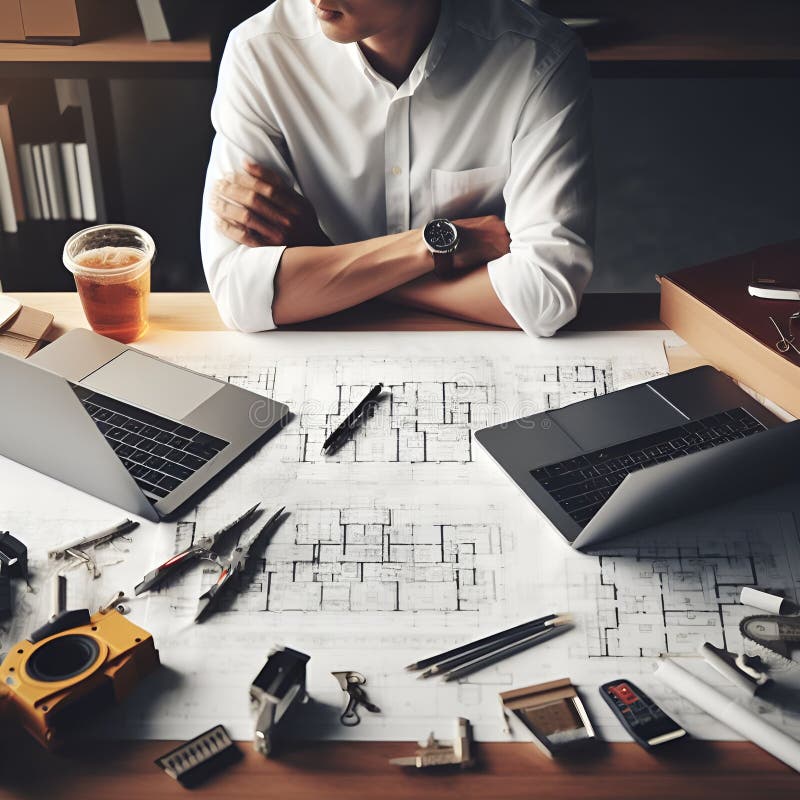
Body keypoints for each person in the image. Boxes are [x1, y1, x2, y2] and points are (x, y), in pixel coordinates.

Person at [201, 0, 594, 336]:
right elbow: (239, 291)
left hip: (475, 349)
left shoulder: (537, 57)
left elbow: (545, 295)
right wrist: (435, 247)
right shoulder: (259, 52)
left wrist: (321, 257)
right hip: (322, 348)